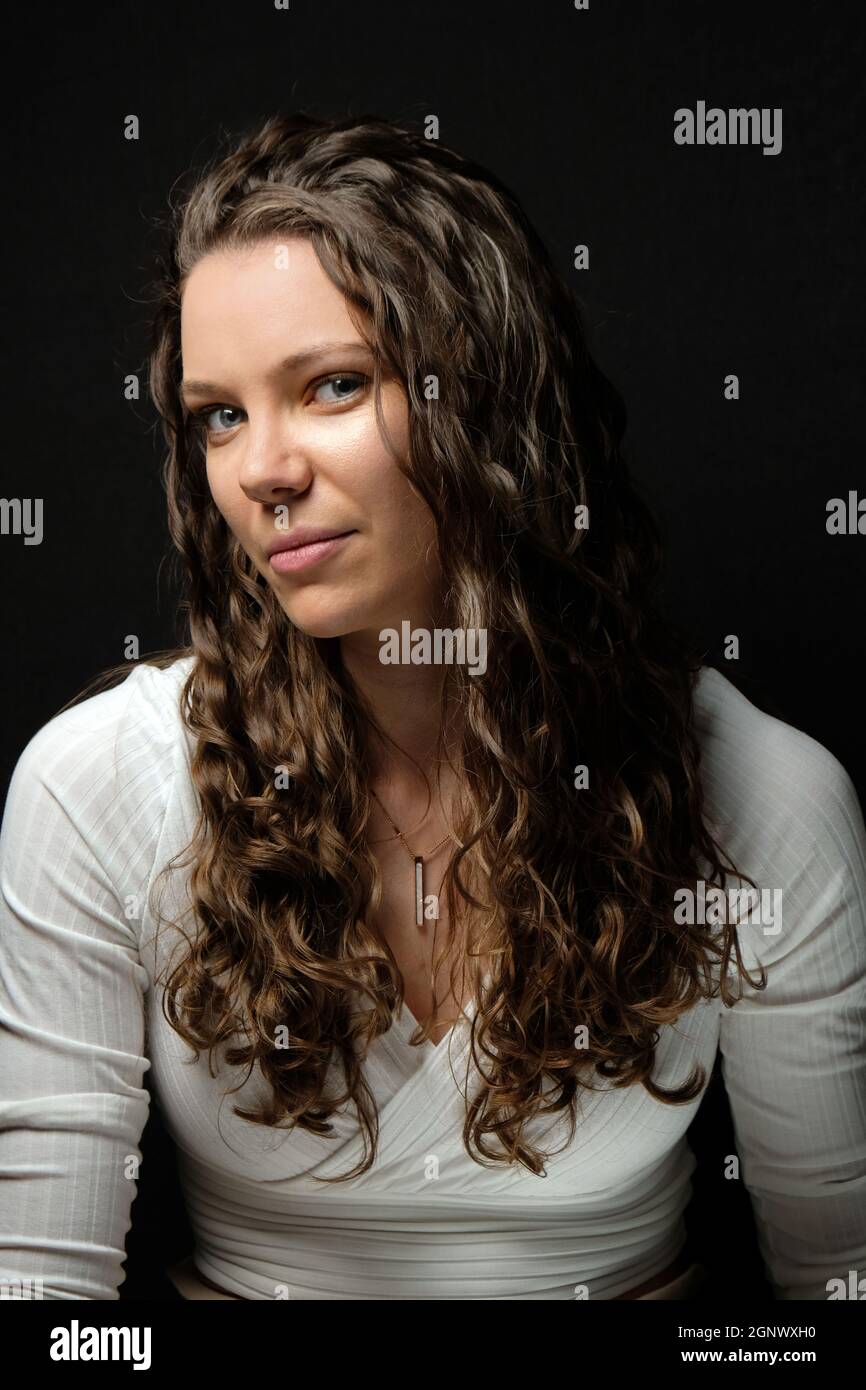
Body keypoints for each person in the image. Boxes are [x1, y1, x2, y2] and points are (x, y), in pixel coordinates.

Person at [1, 111, 864, 1302]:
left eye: (334, 384)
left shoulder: (764, 799)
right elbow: (40, 1300)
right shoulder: (96, 784)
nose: (261, 470)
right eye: (220, 413)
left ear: (492, 400)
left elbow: (837, 1280)